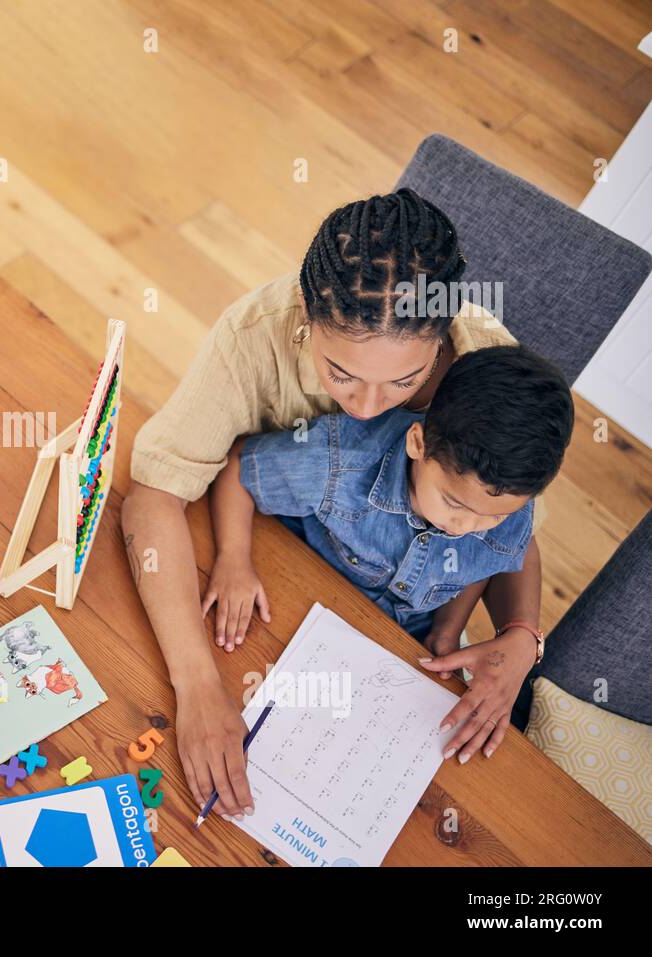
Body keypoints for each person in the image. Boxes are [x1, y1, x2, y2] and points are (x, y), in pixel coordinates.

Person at [120, 189, 542, 819]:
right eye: (340, 373)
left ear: (443, 336)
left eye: (404, 382)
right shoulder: (252, 334)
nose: (368, 409)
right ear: (305, 314)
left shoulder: (485, 369)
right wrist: (196, 682)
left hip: (395, 631)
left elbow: (504, 526)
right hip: (277, 564)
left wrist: (524, 635)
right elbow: (154, 494)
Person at [222, 346, 571, 769]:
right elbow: (240, 465)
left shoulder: (502, 509)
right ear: (417, 444)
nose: (464, 527)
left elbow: (482, 561)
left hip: (399, 649)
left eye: (493, 518)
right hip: (297, 602)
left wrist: (450, 626)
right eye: (452, 503)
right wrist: (233, 562)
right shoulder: (340, 464)